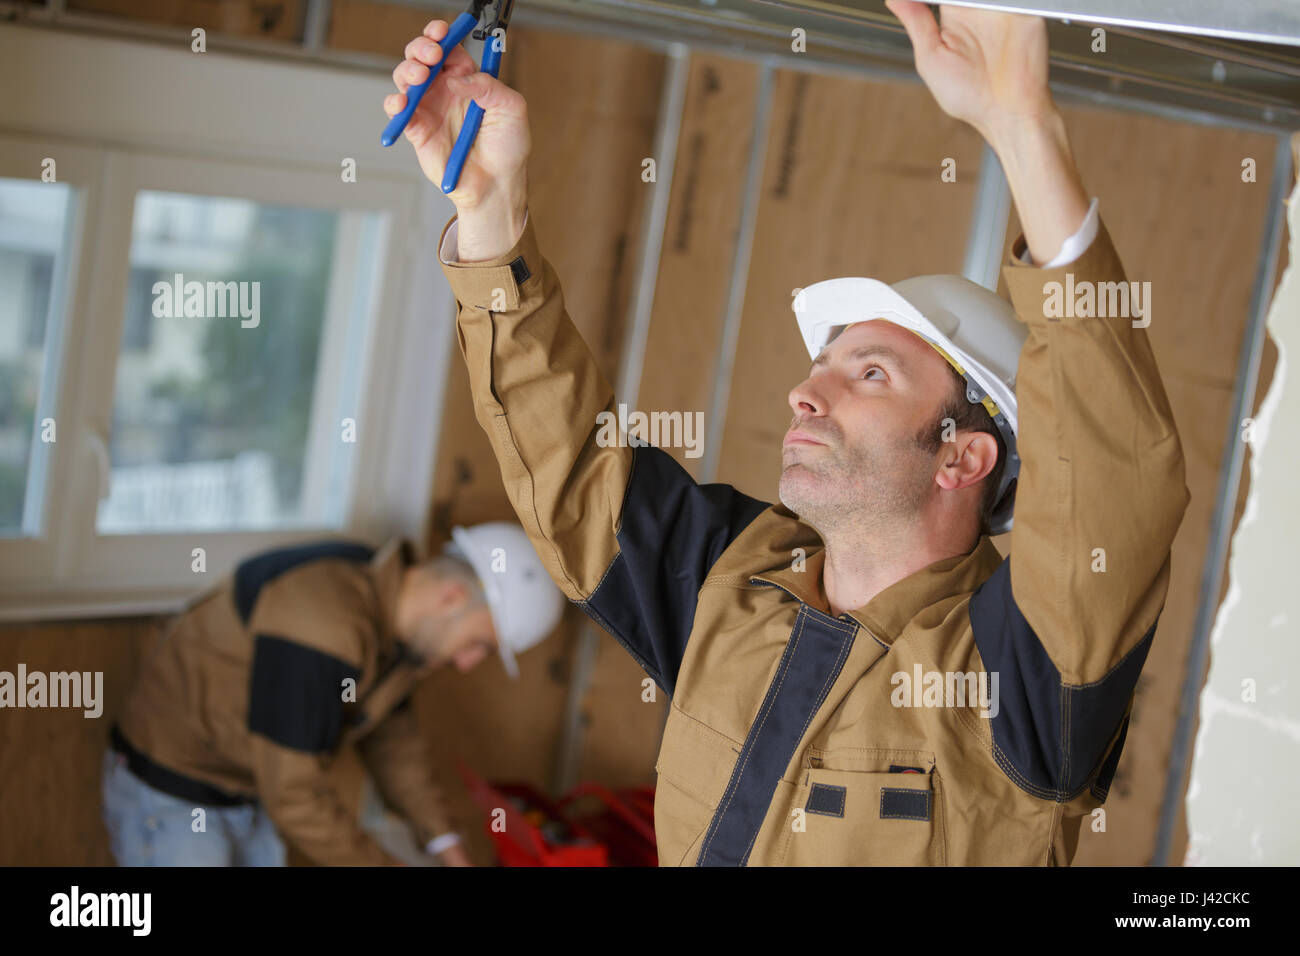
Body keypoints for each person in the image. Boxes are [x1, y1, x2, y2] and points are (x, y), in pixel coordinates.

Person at [385, 1, 1188, 864]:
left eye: (869, 372)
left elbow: (1115, 477)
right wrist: (491, 205)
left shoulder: (1011, 677)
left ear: (965, 453)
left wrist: (1021, 128)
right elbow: (569, 465)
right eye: (825, 364)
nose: (806, 391)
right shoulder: (734, 582)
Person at [102, 523, 564, 866]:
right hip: (171, 795)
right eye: (480, 645)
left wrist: (447, 845)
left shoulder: (393, 619)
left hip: (246, 796)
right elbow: (296, 796)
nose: (467, 664)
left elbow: (392, 742)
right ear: (451, 597)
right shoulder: (322, 623)